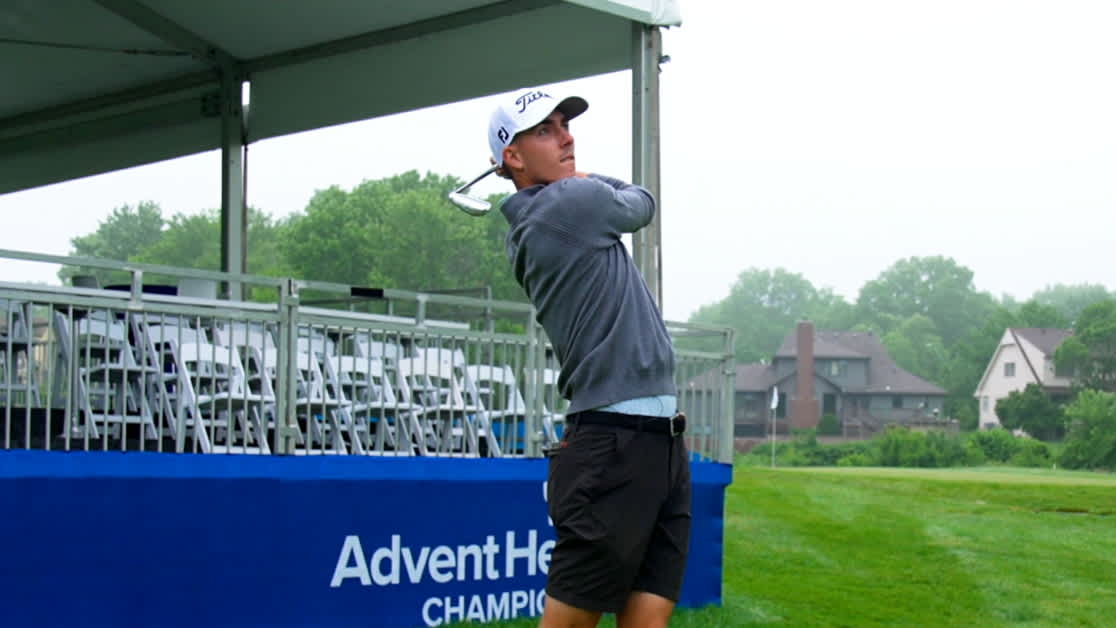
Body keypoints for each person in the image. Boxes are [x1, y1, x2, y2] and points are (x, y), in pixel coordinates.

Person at [487, 87, 691, 628]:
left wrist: (572, 177)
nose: (566, 137)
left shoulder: (555, 209)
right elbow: (642, 202)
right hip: (615, 442)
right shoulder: (568, 203)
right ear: (513, 156)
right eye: (545, 130)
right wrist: (583, 177)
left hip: (655, 441)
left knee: (648, 615)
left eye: (565, 125)